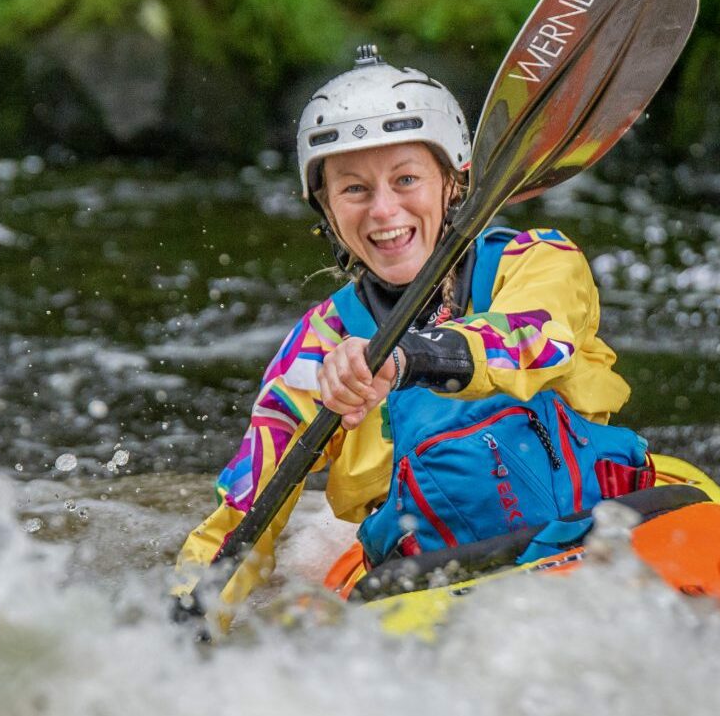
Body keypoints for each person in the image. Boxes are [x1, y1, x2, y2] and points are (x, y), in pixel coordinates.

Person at [174, 46, 650, 616]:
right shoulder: (317, 348)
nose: (383, 210)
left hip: (601, 541)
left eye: (406, 179)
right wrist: (187, 613)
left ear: (454, 181)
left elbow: (530, 341)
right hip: (430, 585)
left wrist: (404, 359)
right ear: (325, 208)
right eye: (354, 189)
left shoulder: (537, 261)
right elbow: (244, 515)